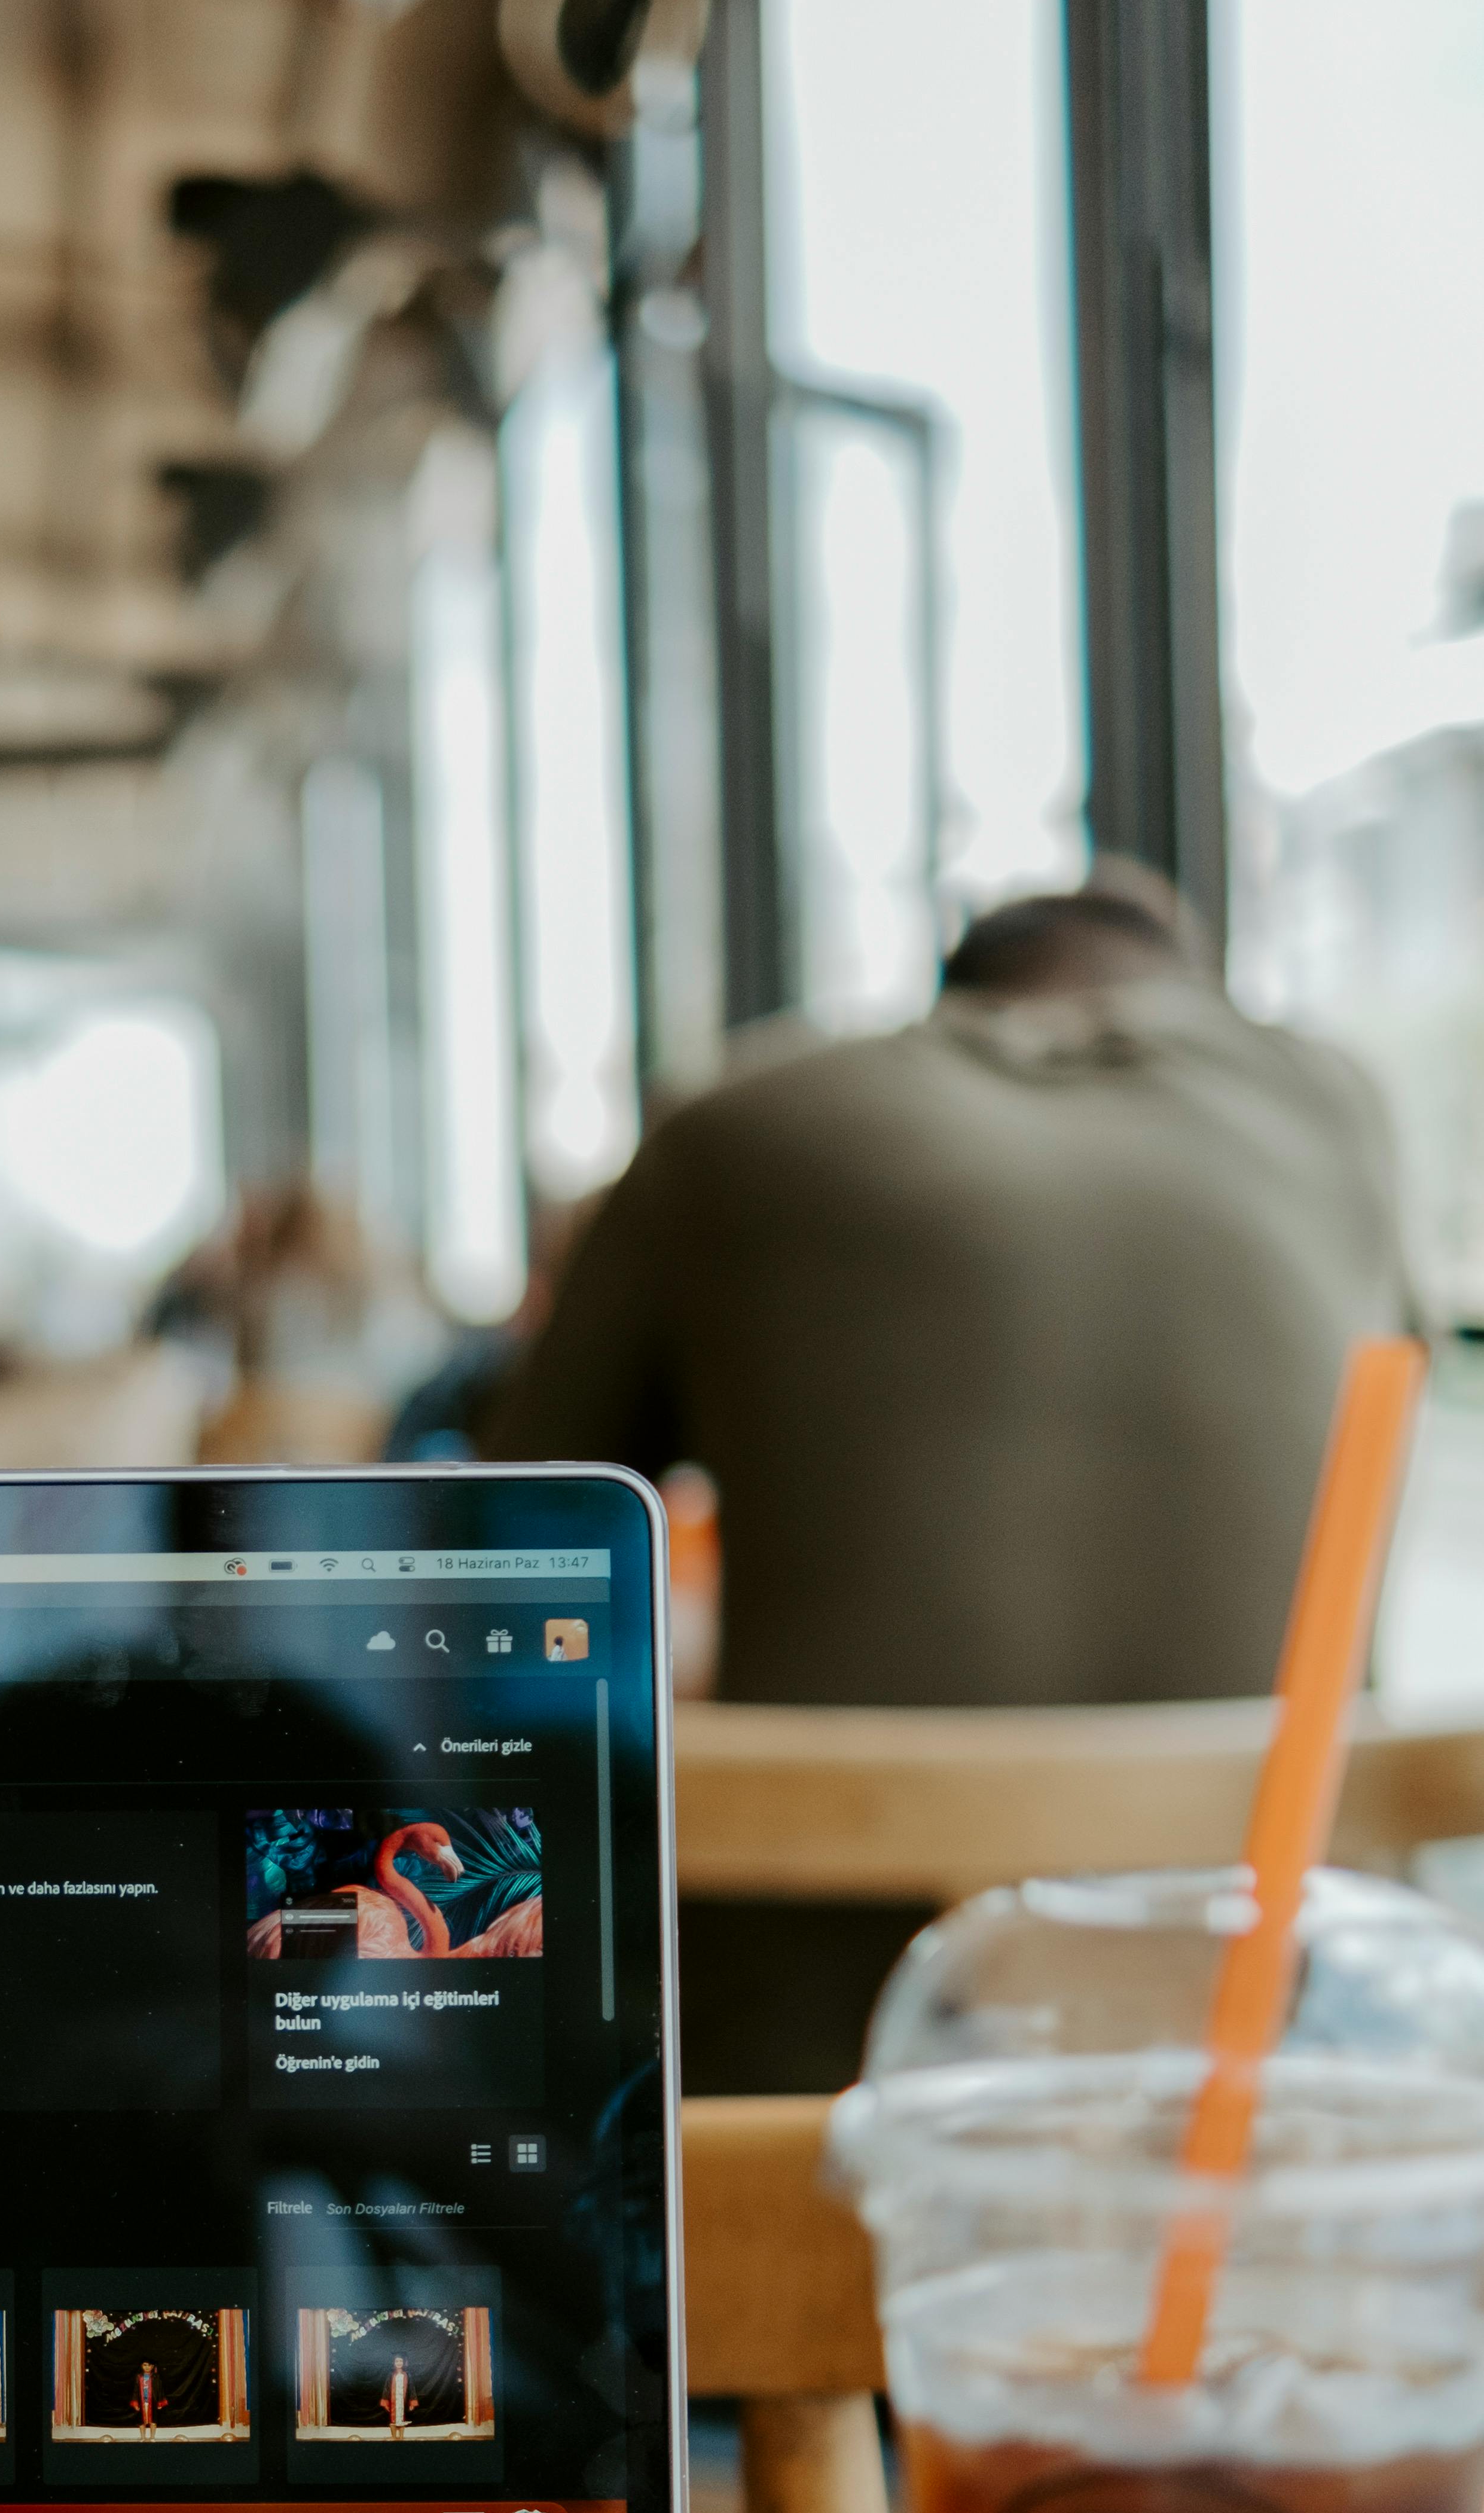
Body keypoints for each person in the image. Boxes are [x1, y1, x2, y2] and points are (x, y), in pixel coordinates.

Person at [479, 864, 1411, 2085]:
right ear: (1190, 997)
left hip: (836, 2067)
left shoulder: (740, 1121)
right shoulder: (1334, 1106)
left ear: (957, 998)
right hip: (1301, 2024)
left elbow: (502, 1549)